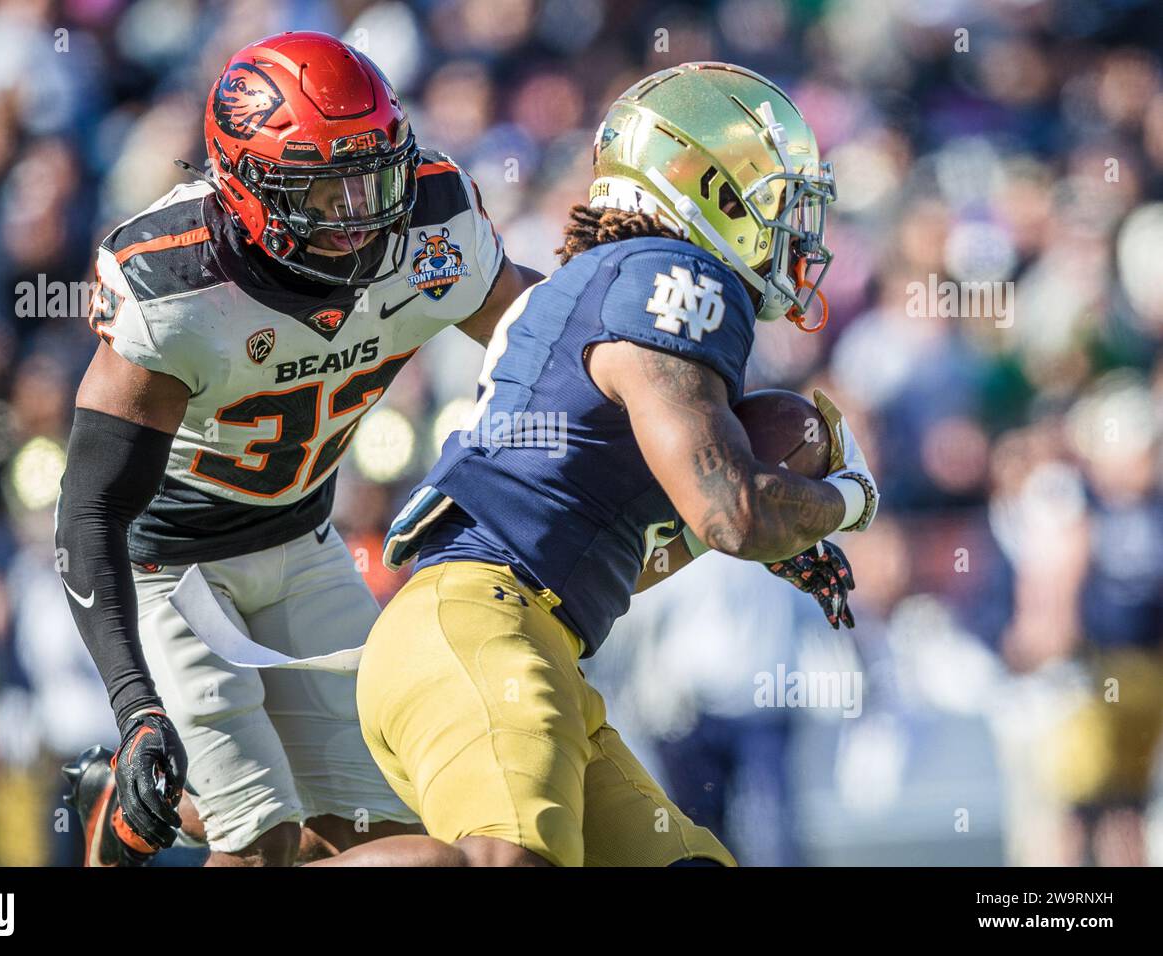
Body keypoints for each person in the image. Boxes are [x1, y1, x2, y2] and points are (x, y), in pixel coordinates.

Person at [318, 63, 879, 866]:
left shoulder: (605, 283)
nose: (796, 227)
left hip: (516, 639)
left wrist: (793, 525)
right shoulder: (675, 276)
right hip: (485, 626)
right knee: (504, 861)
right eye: (778, 199)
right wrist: (848, 496)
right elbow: (733, 513)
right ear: (714, 192)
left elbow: (636, 505)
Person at [55, 31, 540, 866]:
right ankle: (168, 802)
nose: (360, 218)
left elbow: (554, 348)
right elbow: (90, 509)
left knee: (379, 830)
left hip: (306, 540)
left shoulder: (432, 228)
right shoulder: (179, 287)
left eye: (373, 179)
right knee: (266, 845)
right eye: (325, 194)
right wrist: (137, 707)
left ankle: (177, 804)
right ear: (245, 187)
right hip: (174, 570)